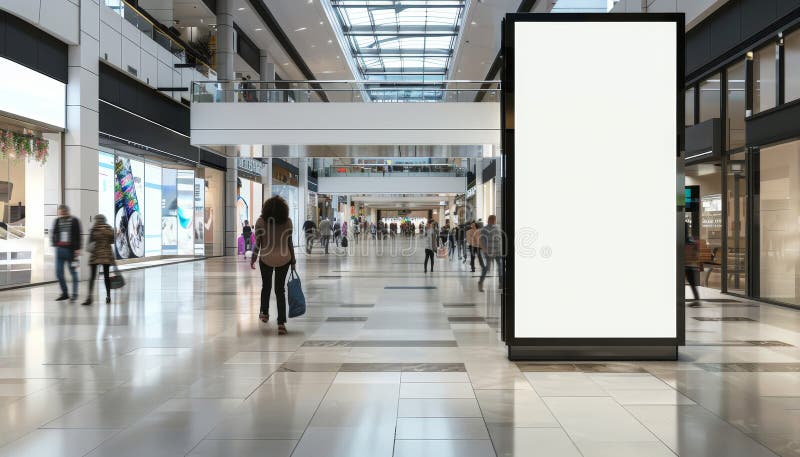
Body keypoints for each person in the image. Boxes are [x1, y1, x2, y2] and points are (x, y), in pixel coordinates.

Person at [251, 196, 296, 335]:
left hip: (266, 258)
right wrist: (293, 261)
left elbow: (258, 243)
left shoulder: (260, 222)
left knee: (266, 286)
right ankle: (281, 323)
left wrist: (253, 257)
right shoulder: (288, 222)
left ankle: (264, 313)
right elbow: (289, 243)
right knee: (280, 290)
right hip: (284, 258)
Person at [51, 204, 82, 301]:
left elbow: (78, 235)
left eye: (61, 213)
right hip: (59, 250)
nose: (60, 214)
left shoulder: (74, 220)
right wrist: (55, 242)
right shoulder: (57, 221)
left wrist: (78, 249)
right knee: (58, 273)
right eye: (59, 213)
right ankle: (65, 293)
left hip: (71, 251)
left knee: (73, 272)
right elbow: (54, 232)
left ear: (66, 212)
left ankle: (74, 294)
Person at [82, 214, 115, 306]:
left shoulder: (94, 229)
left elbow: (89, 244)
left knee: (92, 277)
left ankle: (89, 298)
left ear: (96, 220)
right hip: (106, 256)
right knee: (106, 277)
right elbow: (112, 241)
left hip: (95, 255)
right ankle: (108, 296)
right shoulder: (109, 229)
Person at [479, 215, 504, 292]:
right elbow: (481, 240)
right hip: (489, 252)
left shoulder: (498, 227)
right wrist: (485, 249)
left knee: (500, 267)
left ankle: (501, 283)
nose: (494, 221)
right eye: (493, 219)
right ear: (489, 220)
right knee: (487, 268)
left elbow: (500, 239)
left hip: (498, 252)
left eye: (494, 219)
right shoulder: (484, 229)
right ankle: (480, 282)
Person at [685, 222, 701, 304]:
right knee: (692, 283)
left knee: (691, 282)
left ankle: (697, 300)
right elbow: (696, 254)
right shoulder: (691, 241)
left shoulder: (686, 241)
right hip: (690, 265)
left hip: (687, 265)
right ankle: (697, 300)